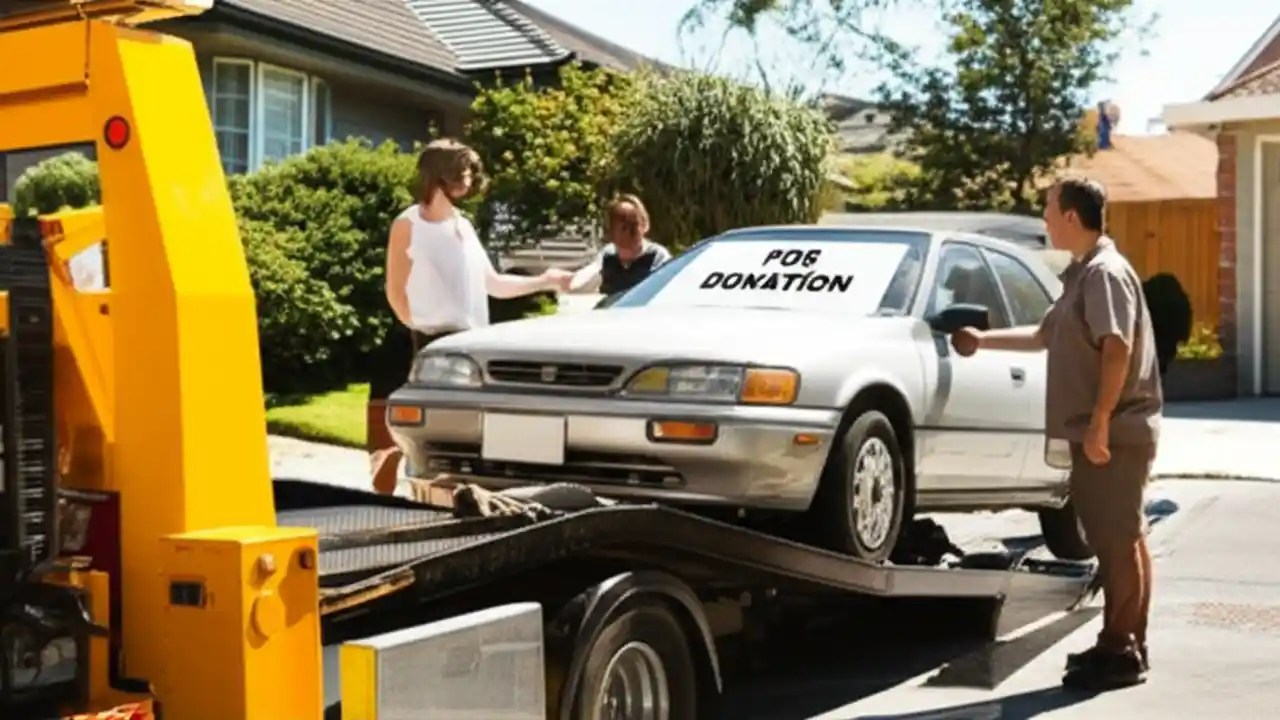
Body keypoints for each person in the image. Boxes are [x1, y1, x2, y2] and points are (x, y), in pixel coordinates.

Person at [951, 176, 1162, 690]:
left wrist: (1100, 422)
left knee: (1117, 542)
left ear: (1071, 216)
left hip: (1113, 431)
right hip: (1108, 429)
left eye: (1048, 210)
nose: (1043, 219)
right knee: (1124, 539)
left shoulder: (1105, 275)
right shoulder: (1082, 273)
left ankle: (1120, 649)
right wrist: (982, 341)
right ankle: (1128, 641)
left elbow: (1117, 347)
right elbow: (1046, 335)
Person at [368, 138, 572, 494]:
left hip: (475, 342)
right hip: (436, 342)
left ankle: (444, 490)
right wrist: (418, 324)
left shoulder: (464, 226)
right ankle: (405, 474)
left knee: (472, 428)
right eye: (460, 172)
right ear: (438, 175)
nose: (467, 179)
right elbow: (395, 290)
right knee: (438, 429)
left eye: (468, 172)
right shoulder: (409, 224)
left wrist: (544, 280)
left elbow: (492, 283)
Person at [567, 194, 672, 297]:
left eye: (633, 224)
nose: (628, 232)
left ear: (643, 224)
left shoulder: (658, 256)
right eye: (622, 226)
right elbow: (584, 278)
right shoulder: (607, 255)